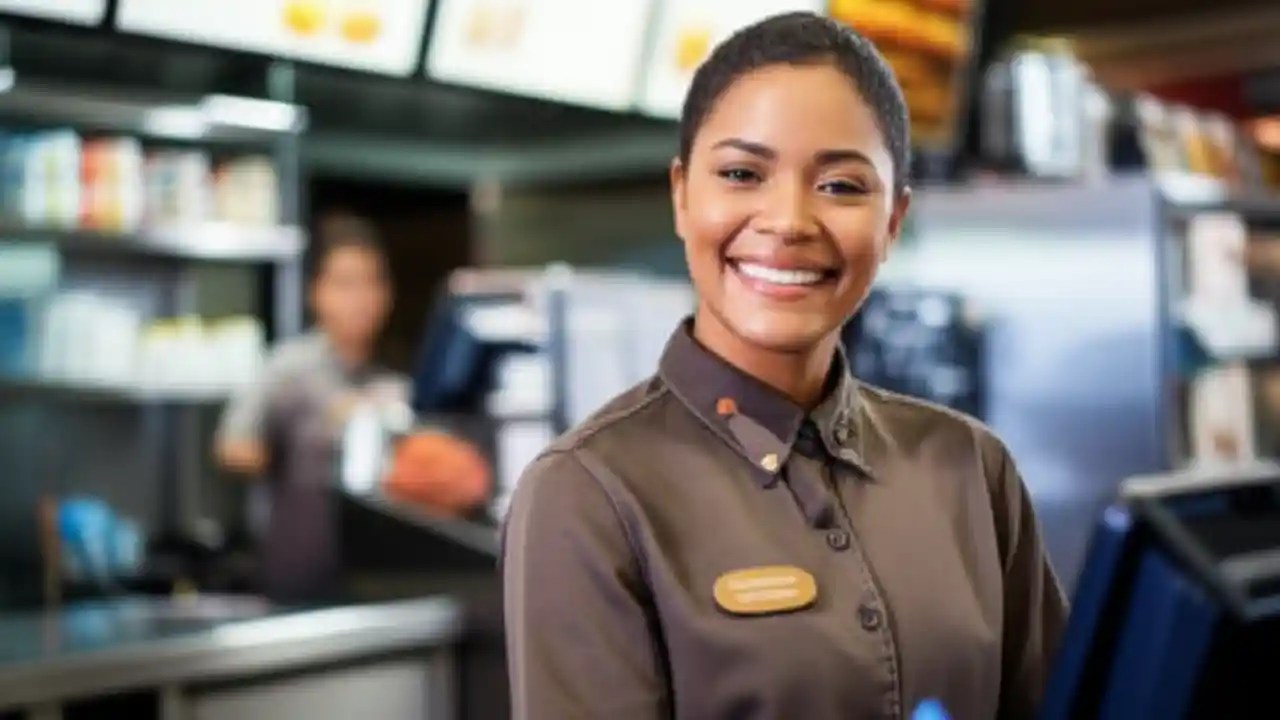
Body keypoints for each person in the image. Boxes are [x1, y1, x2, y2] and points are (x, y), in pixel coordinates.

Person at [502, 12, 1067, 720]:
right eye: (742, 173)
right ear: (682, 195)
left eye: (841, 186)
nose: (790, 220)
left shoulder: (971, 468)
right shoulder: (588, 493)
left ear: (893, 221)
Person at [216, 214, 404, 603]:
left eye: (372, 282)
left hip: (376, 583)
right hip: (294, 575)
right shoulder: (289, 368)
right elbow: (230, 447)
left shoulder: (394, 384)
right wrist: (300, 438)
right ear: (316, 292)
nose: (361, 298)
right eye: (345, 284)